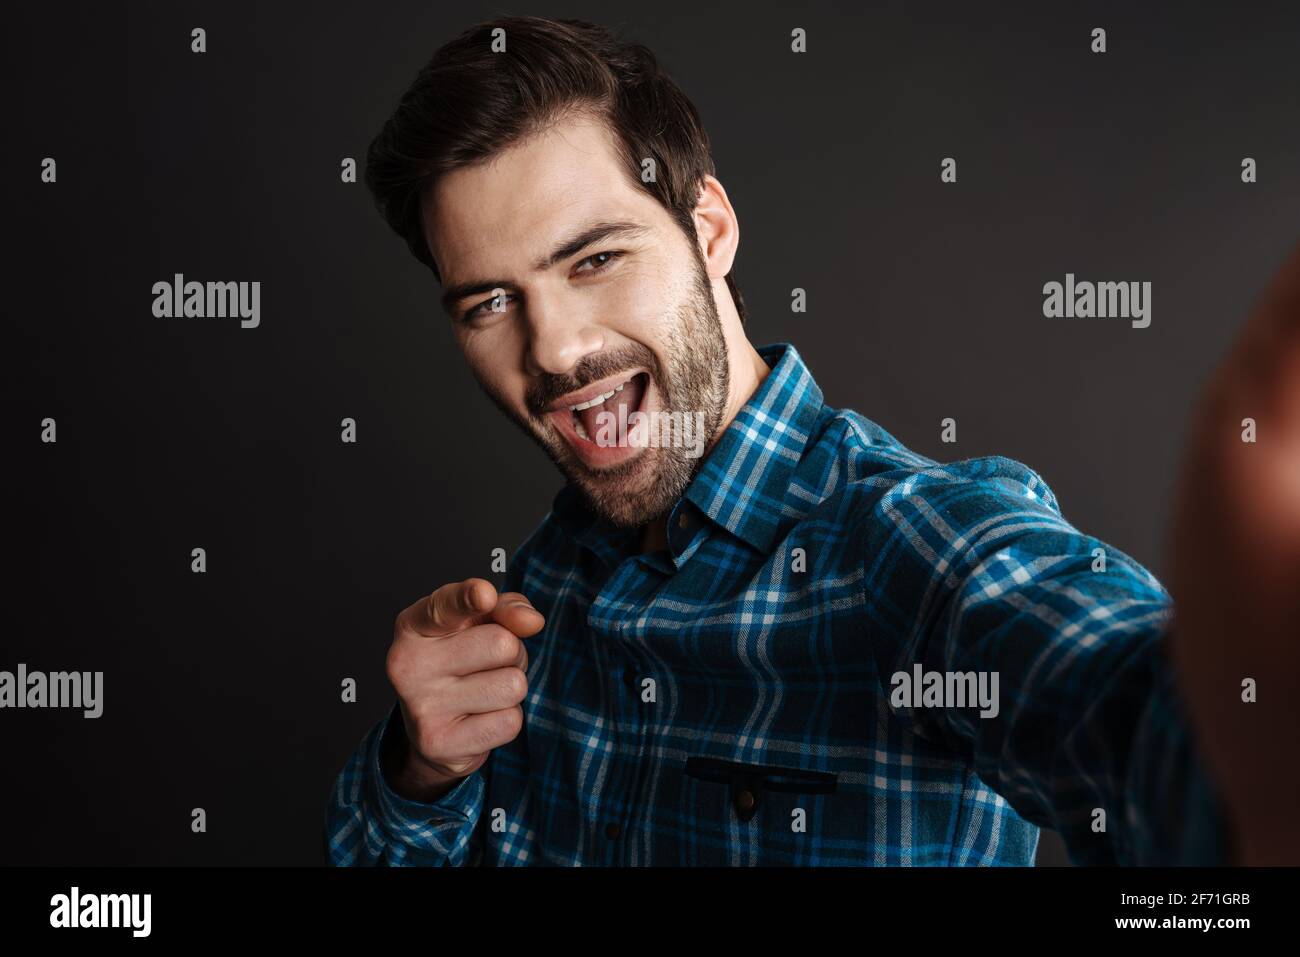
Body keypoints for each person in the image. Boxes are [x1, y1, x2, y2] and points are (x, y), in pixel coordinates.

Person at [325, 16, 1299, 866]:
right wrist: (423, 775)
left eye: (594, 259)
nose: (555, 349)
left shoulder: (920, 550)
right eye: (491, 302)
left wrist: (1248, 734)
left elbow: (1149, 734)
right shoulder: (539, 588)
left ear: (707, 229)